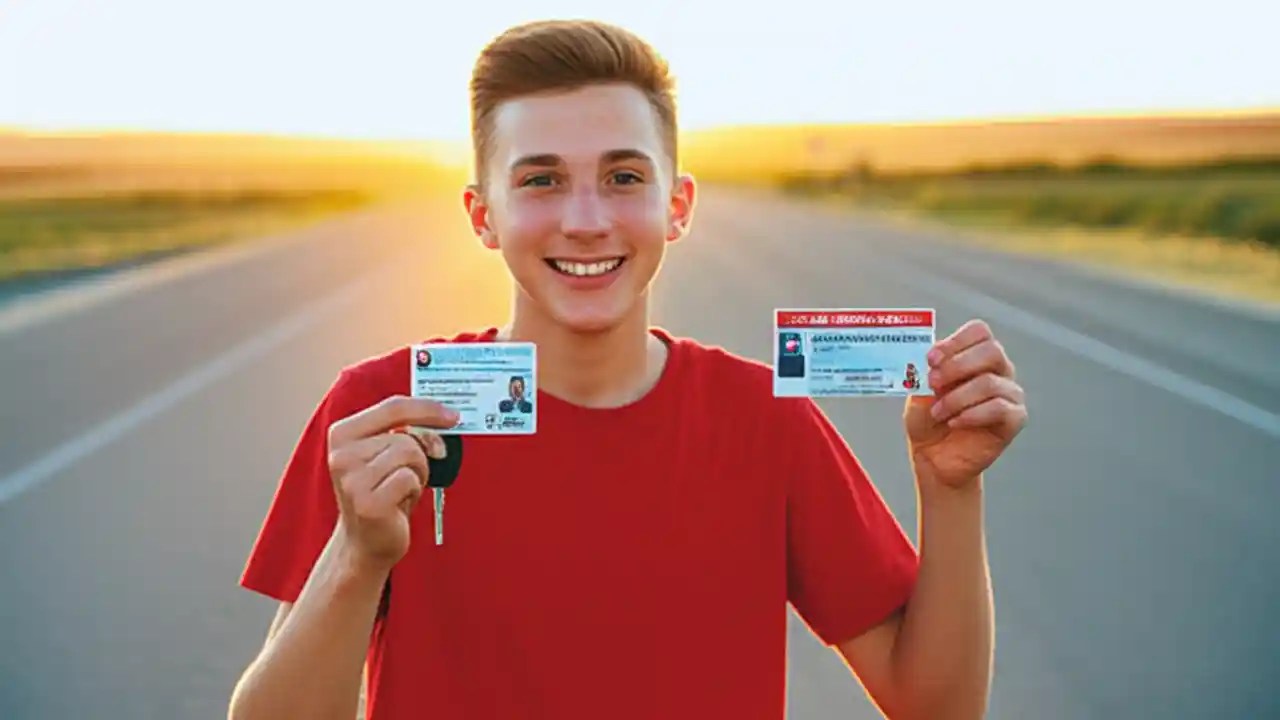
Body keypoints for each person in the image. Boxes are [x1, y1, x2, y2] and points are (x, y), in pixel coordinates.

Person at [228, 19, 1028, 720]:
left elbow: (937, 707)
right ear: (483, 216)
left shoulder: (764, 422)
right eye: (541, 180)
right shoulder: (385, 411)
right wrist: (358, 556)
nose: (585, 220)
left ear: (676, 207)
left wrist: (949, 489)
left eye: (623, 177)